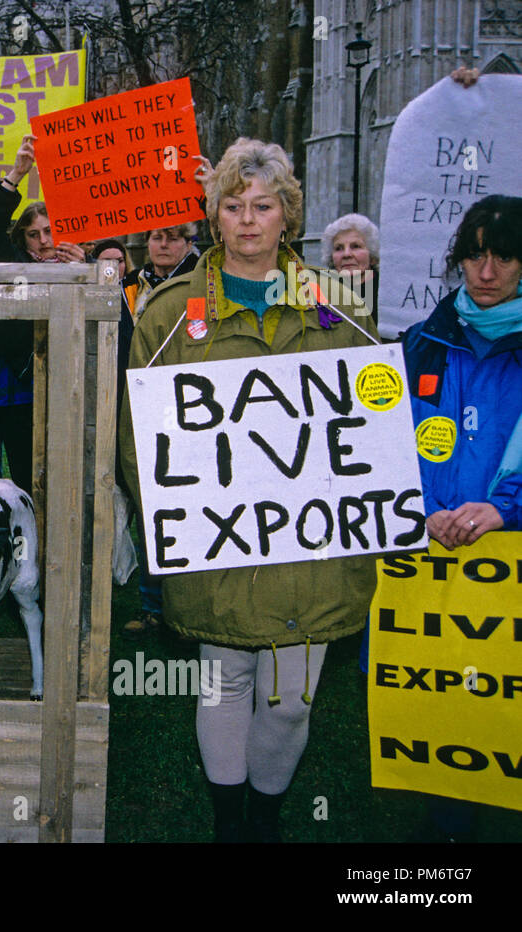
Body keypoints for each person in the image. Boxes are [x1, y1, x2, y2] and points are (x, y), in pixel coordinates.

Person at [119, 139, 376, 842]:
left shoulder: (341, 309)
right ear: (214, 216)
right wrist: (170, 522)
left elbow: (372, 426)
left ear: (287, 214)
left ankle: (267, 815)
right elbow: (137, 439)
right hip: (217, 544)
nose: (248, 221)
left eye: (263, 206)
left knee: (291, 702)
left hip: (312, 549)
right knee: (223, 680)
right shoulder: (167, 314)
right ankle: (231, 824)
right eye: (233, 206)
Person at [401, 194, 522, 841]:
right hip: (432, 558)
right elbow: (387, 448)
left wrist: (505, 513)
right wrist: (426, 513)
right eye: (474, 253)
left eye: (502, 254)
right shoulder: (421, 344)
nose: (487, 268)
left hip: (512, 560)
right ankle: (446, 826)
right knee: (442, 696)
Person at [0, 134, 85, 496]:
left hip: (71, 390)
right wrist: (16, 174)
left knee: (66, 477)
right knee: (23, 477)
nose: (45, 241)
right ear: (23, 239)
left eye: (50, 231)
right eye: (34, 234)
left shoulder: (82, 264)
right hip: (19, 392)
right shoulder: (12, 262)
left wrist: (86, 270)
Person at [119, 222, 201, 636]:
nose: (163, 244)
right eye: (155, 237)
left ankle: (190, 606)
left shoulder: (204, 282)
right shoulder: (131, 285)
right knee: (150, 508)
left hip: (192, 409)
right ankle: (153, 607)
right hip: (139, 406)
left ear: (189, 243)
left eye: (173, 237)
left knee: (194, 508)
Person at [321, 212, 378, 322]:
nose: (346, 254)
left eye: (356, 246)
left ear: (372, 255)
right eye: (338, 248)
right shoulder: (323, 295)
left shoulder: (388, 295)